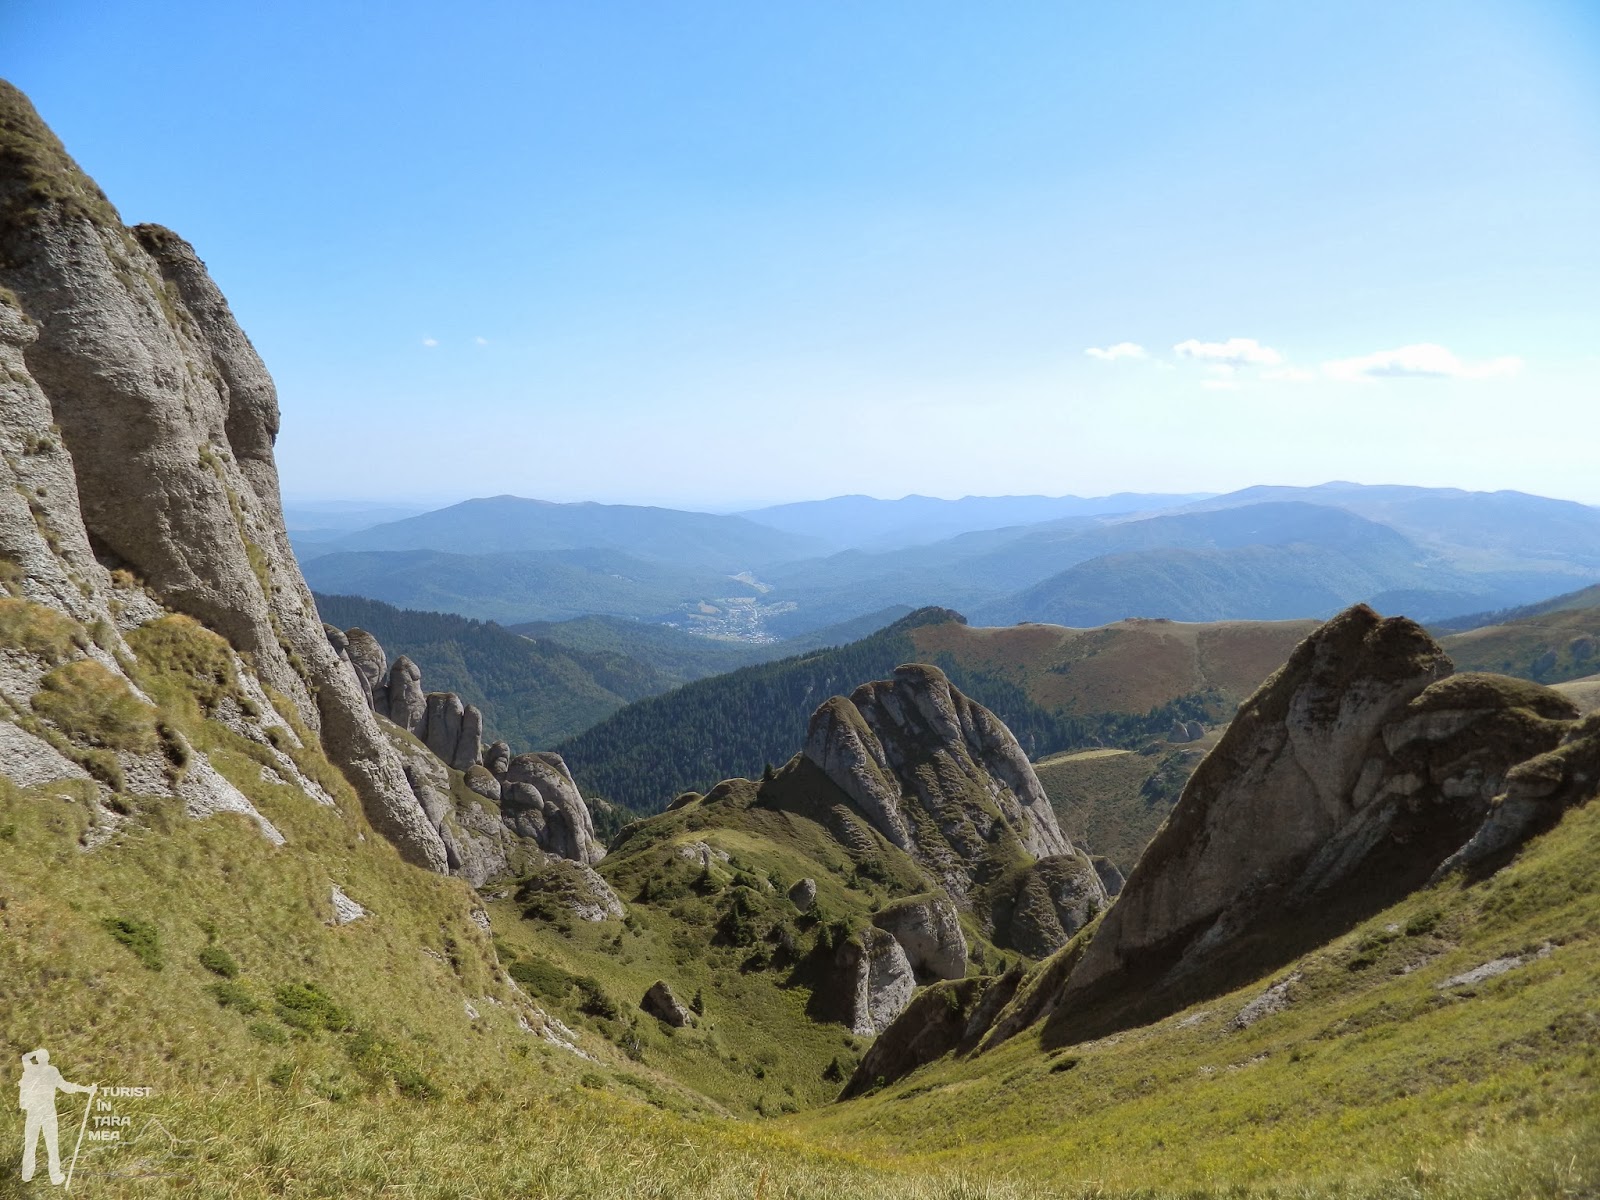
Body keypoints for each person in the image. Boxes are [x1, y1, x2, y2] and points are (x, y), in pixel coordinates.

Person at [18, 1049, 93, 1186]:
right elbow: (66, 1087)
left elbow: (24, 1057)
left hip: (33, 1111)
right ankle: (54, 1175)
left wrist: (34, 1052)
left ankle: (27, 1174)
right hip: (47, 1111)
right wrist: (86, 1089)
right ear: (47, 1059)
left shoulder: (30, 1069)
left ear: (37, 1058)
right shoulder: (52, 1071)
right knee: (52, 1144)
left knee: (30, 1143)